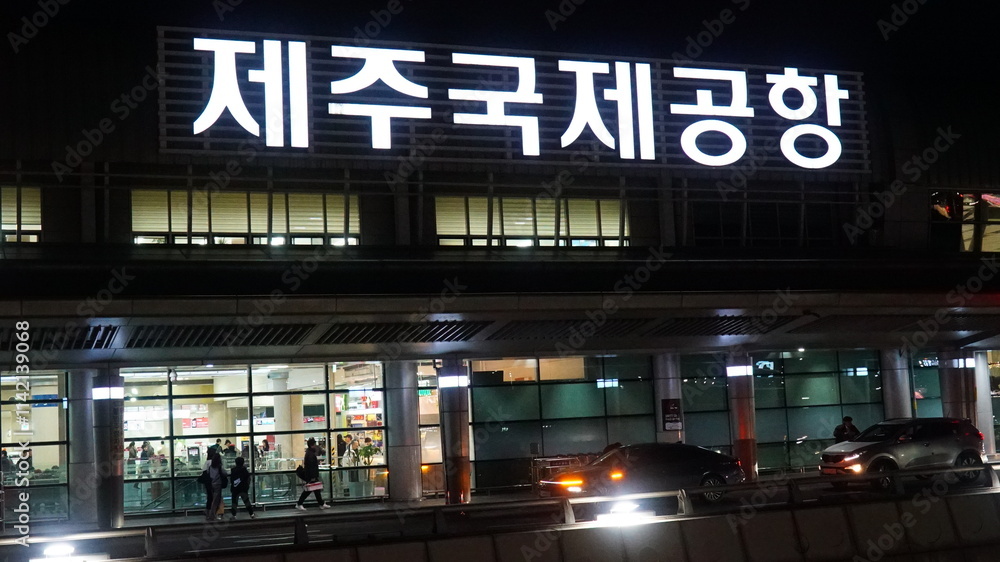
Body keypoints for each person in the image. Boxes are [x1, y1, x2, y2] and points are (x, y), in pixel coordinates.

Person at [296, 438, 329, 510]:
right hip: (311, 475)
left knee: (316, 490)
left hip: (311, 475)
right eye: (314, 444)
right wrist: (313, 476)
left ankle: (321, 503)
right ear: (312, 445)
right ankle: (299, 503)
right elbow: (311, 466)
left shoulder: (309, 453)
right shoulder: (310, 454)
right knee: (308, 490)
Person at [204, 452, 228, 521]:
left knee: (213, 499)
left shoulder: (210, 467)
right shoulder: (219, 466)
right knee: (216, 500)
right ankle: (212, 515)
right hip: (218, 484)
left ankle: (212, 514)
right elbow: (225, 473)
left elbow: (208, 473)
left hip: (212, 483)